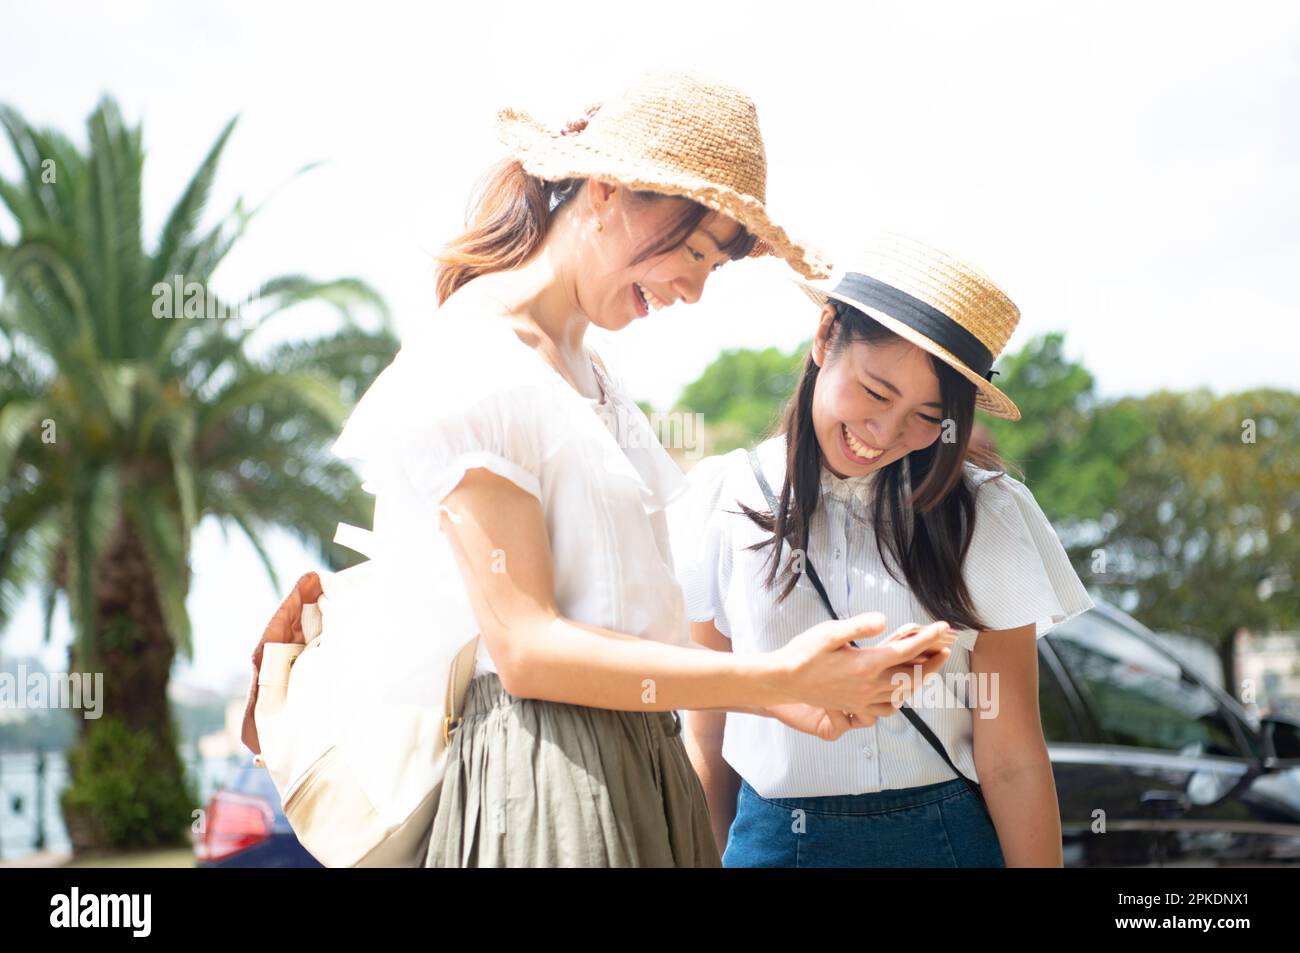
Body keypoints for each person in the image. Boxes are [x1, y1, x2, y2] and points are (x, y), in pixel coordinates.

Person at [241, 73, 955, 867]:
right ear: (607, 193)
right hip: (550, 777)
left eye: (713, 268)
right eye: (692, 251)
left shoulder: (590, 373)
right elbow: (528, 648)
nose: (690, 290)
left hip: (642, 758)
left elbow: (623, 619)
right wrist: (766, 677)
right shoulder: (478, 358)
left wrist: (792, 692)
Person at [670, 234, 1094, 866]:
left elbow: (1011, 757)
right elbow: (707, 729)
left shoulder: (985, 513)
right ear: (825, 335)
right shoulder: (721, 503)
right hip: (773, 845)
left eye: (926, 415)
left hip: (945, 841)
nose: (885, 434)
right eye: (874, 392)